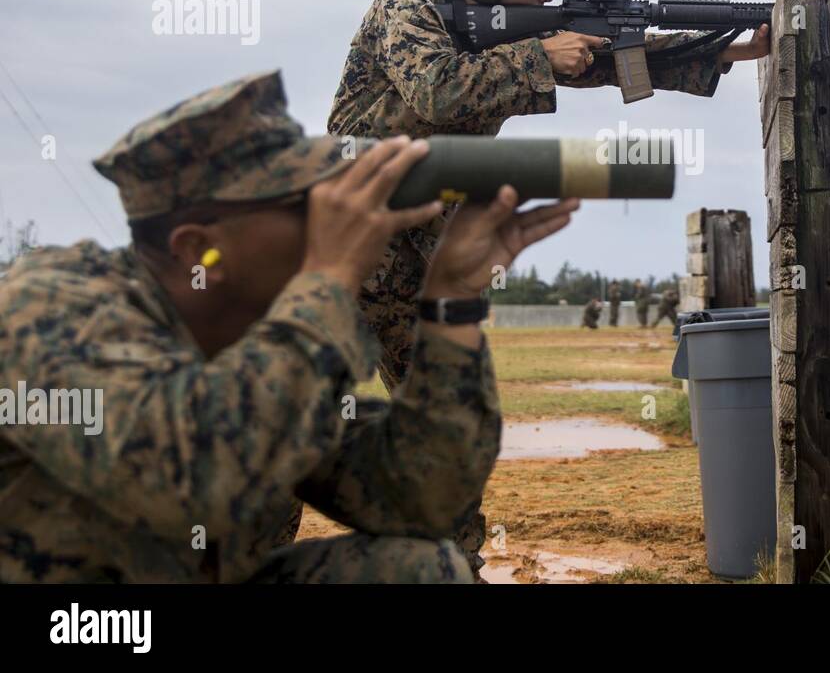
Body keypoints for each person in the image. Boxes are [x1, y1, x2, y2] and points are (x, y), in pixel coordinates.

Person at [0, 71, 577, 583]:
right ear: (201, 250)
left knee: (421, 569)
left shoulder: (251, 335)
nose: (327, 223)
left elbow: (424, 497)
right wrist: (325, 280)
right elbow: (193, 480)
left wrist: (452, 303)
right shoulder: (46, 308)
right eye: (302, 208)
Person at [327, 0, 769, 573]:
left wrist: (727, 48)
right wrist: (539, 55)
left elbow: (611, 62)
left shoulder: (510, 38)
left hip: (421, 265)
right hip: (340, 249)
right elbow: (436, 86)